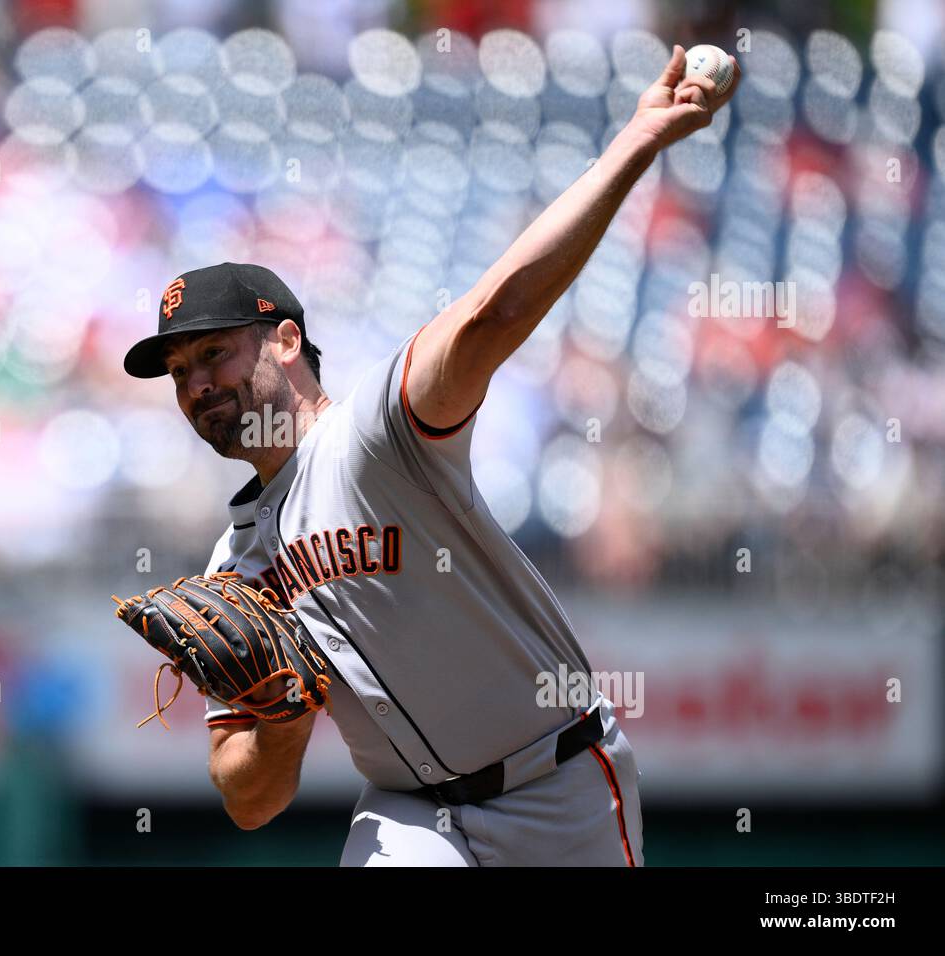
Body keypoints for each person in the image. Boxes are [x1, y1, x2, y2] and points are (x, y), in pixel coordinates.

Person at [120, 47, 739, 865]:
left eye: (214, 355)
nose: (197, 384)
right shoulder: (235, 568)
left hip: (559, 791)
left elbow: (494, 313)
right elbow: (248, 801)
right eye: (180, 373)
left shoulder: (380, 432)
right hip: (411, 820)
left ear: (285, 339)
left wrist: (635, 144)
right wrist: (278, 722)